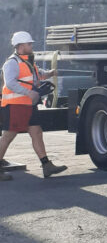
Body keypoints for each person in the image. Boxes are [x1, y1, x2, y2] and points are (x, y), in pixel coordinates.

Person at [0, 31, 67, 180]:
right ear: (21, 46)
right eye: (29, 44)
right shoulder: (11, 63)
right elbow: (10, 83)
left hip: (28, 105)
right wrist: (28, 93)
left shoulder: (28, 61)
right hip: (15, 105)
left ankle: (46, 165)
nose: (31, 46)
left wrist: (50, 73)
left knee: (36, 132)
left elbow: (37, 74)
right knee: (8, 136)